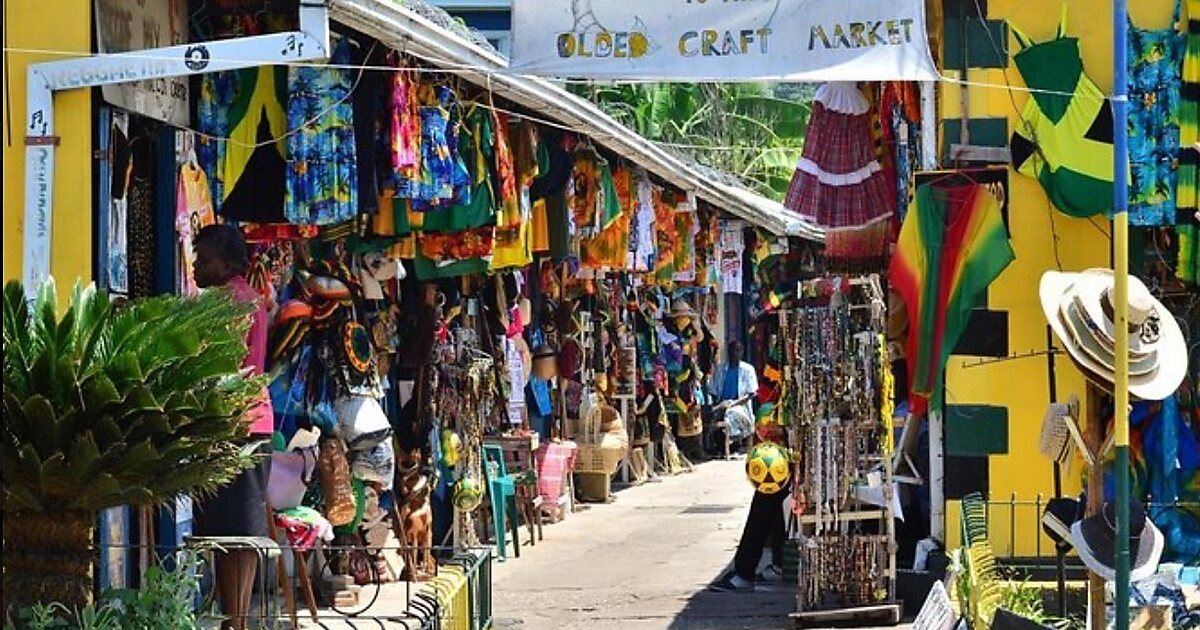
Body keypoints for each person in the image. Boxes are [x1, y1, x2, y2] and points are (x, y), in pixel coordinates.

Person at [190, 224, 274, 630]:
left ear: (226, 263)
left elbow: (216, 364)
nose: (194, 266)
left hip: (235, 423)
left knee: (230, 533)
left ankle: (234, 621)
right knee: (241, 534)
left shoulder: (228, 301)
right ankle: (235, 619)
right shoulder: (249, 296)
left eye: (203, 260)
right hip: (253, 421)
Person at [708, 340, 758, 452]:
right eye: (732, 351)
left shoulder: (748, 370)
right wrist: (718, 403)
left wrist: (732, 404)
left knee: (732, 413)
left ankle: (733, 445)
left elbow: (751, 394)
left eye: (738, 351)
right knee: (710, 414)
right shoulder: (720, 369)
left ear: (742, 352)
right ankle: (716, 445)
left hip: (740, 405)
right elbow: (712, 390)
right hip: (722, 404)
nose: (735, 354)